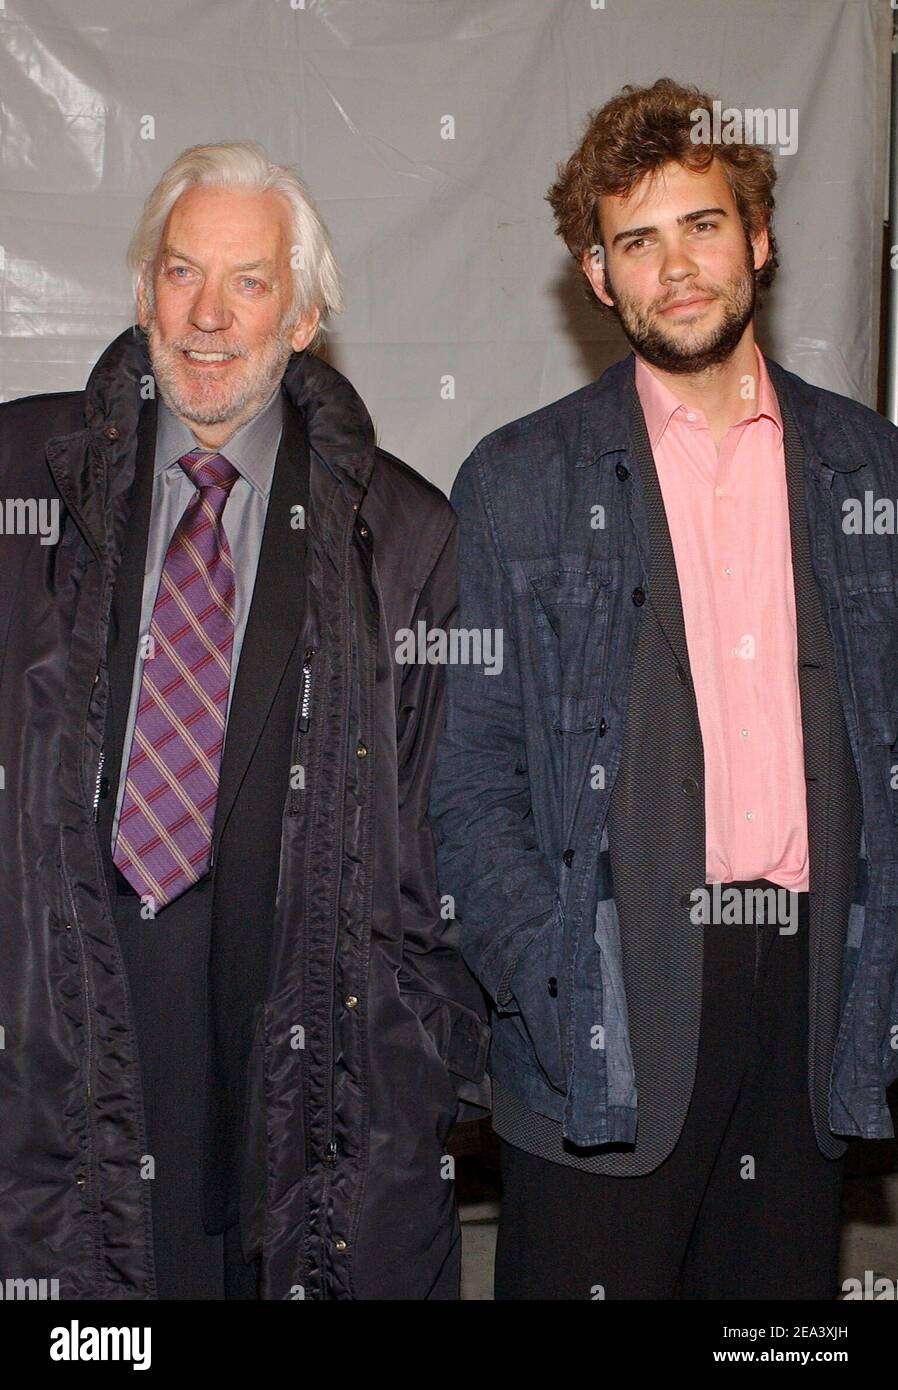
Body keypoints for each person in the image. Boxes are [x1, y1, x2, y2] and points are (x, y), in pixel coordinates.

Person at [431, 78, 898, 1300]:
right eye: (635, 241)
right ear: (598, 277)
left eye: (700, 226)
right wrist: (558, 982)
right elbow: (465, 780)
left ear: (757, 238)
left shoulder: (868, 468)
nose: (674, 267)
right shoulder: (518, 480)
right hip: (605, 1004)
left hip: (808, 1016)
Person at [0, 141, 488, 1300]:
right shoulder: (21, 478)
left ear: (306, 314)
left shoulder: (405, 538)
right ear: (141, 290)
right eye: (181, 273)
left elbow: (446, 846)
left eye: (250, 281)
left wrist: (409, 1069)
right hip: (57, 1021)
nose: (207, 315)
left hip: (290, 1041)